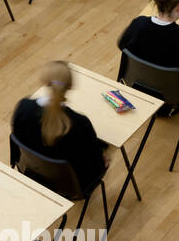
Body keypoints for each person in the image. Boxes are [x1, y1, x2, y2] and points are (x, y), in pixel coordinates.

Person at [10, 61, 110, 191]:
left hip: (30, 171)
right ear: (69, 87)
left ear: (45, 82)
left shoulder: (23, 108)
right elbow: (93, 161)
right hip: (70, 187)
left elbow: (17, 137)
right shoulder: (80, 123)